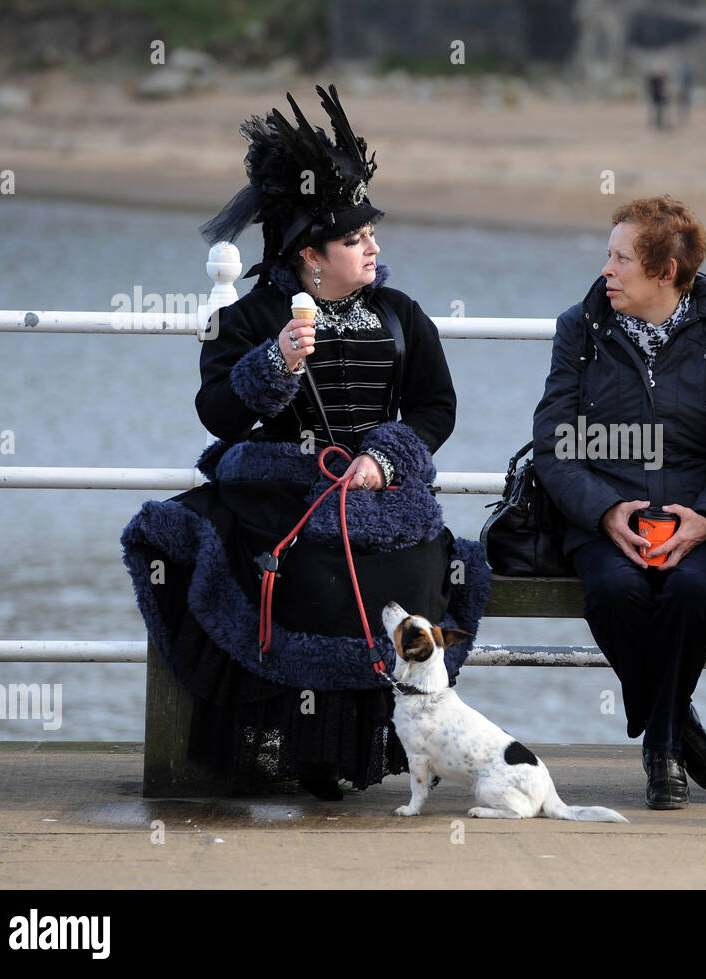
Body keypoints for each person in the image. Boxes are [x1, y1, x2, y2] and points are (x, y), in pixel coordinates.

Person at [121, 85, 489, 801]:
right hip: (281, 488)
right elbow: (219, 410)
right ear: (311, 258)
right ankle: (285, 750)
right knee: (290, 570)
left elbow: (436, 406)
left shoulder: (400, 313)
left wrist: (386, 458)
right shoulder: (254, 314)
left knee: (410, 576)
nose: (374, 246)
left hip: (379, 494)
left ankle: (349, 755)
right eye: (357, 239)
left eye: (370, 235)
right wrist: (276, 362)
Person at [533, 196, 706, 809]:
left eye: (620, 259)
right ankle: (677, 732)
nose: (606, 270)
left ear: (665, 273)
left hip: (698, 520)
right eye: (608, 255)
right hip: (600, 519)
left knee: (689, 592)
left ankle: (662, 748)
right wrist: (605, 511)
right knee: (614, 591)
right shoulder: (580, 329)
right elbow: (554, 443)